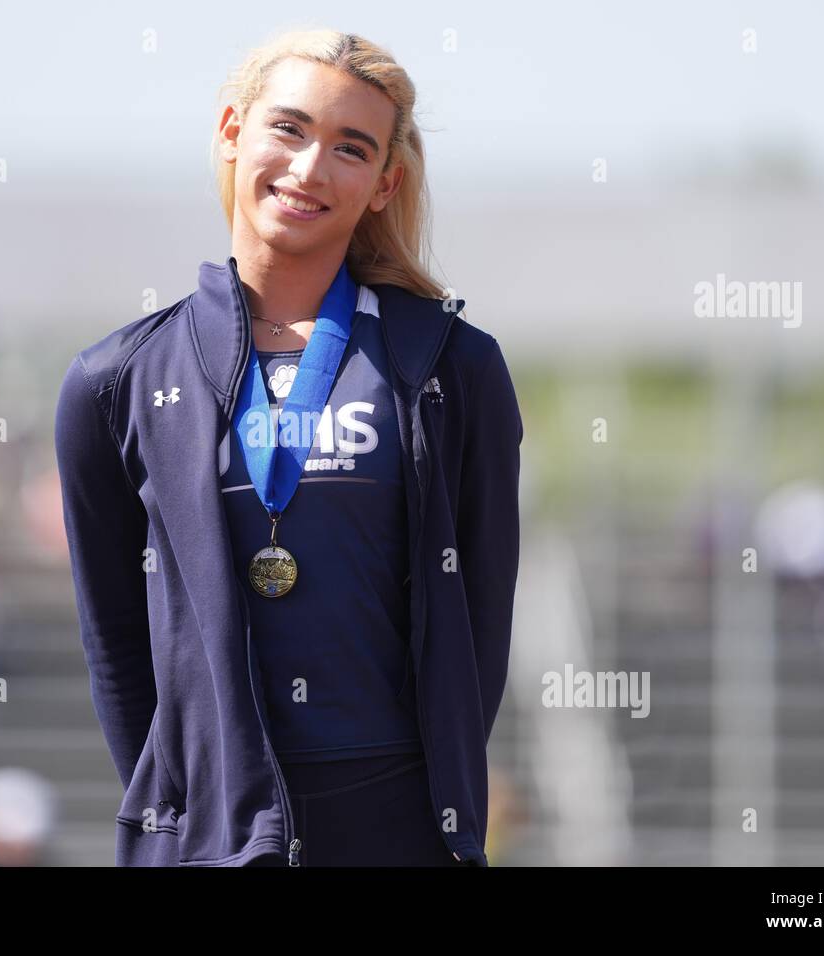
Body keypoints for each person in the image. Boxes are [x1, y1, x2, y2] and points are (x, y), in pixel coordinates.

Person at [54, 28, 522, 867]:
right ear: (234, 132)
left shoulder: (454, 367)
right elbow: (116, 644)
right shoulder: (113, 381)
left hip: (396, 820)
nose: (310, 169)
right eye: (290, 129)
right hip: (209, 831)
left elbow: (480, 618)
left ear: (385, 184)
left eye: (351, 148)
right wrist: (194, 804)